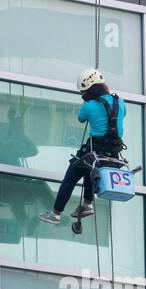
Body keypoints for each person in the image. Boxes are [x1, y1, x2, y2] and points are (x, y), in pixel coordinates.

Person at [39, 69, 126, 225]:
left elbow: (81, 119)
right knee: (90, 169)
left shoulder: (90, 105)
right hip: (113, 155)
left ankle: (56, 213)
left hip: (93, 151)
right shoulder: (120, 102)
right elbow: (120, 116)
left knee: (71, 178)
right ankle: (87, 204)